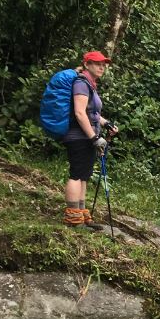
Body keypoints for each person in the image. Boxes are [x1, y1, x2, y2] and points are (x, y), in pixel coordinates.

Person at [61, 51, 117, 227]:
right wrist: (94, 137)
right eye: (97, 63)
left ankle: (82, 215)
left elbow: (92, 113)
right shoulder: (81, 83)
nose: (102, 67)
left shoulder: (90, 85)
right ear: (87, 65)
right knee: (77, 174)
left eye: (104, 64)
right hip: (79, 136)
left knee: (84, 175)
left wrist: (106, 124)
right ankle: (72, 217)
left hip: (88, 137)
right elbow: (79, 112)